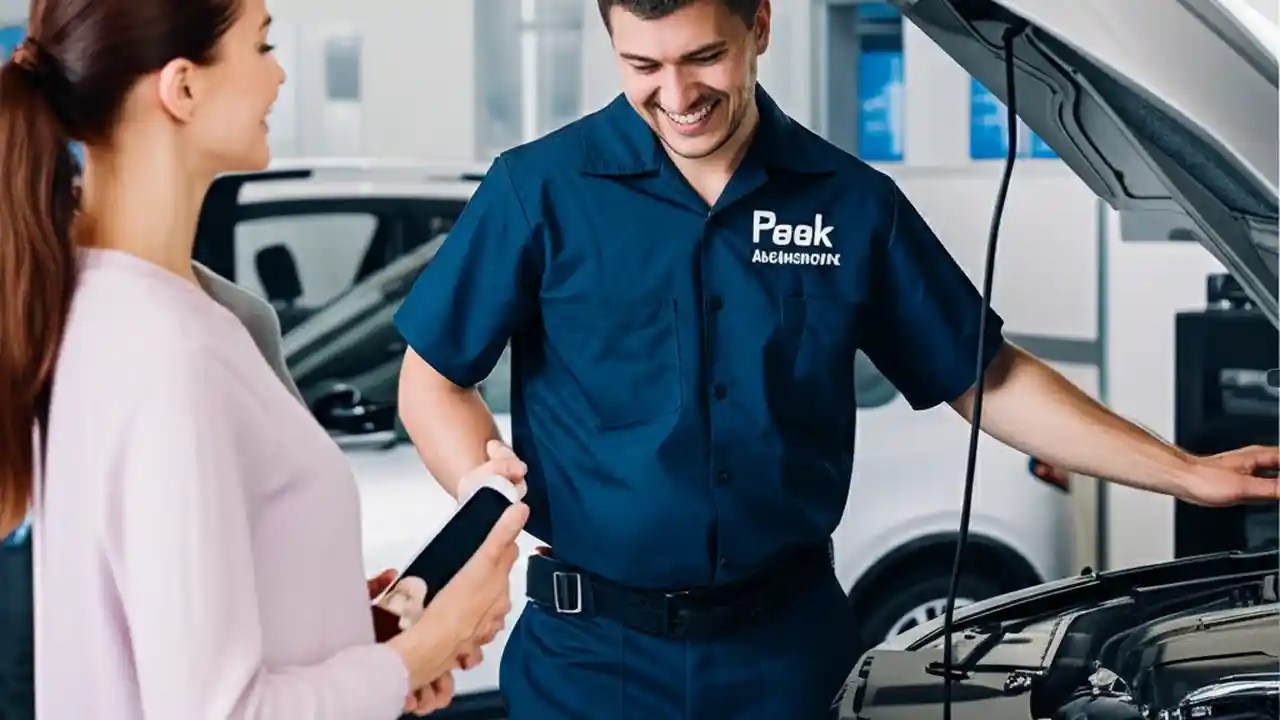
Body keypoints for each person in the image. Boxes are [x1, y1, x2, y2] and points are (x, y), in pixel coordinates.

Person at [391, 0, 1280, 718]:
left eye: (705, 57)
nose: (675, 93)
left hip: (786, 654)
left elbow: (986, 376)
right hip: (588, 661)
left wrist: (1184, 474)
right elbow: (432, 377)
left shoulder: (853, 204)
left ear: (760, 25)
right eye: (643, 67)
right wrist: (479, 476)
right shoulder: (537, 188)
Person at [0, 0, 530, 717]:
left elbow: (170, 651)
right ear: (182, 87)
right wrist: (422, 650)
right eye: (263, 44)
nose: (281, 76)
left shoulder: (99, 309)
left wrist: (362, 646)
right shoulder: (168, 349)